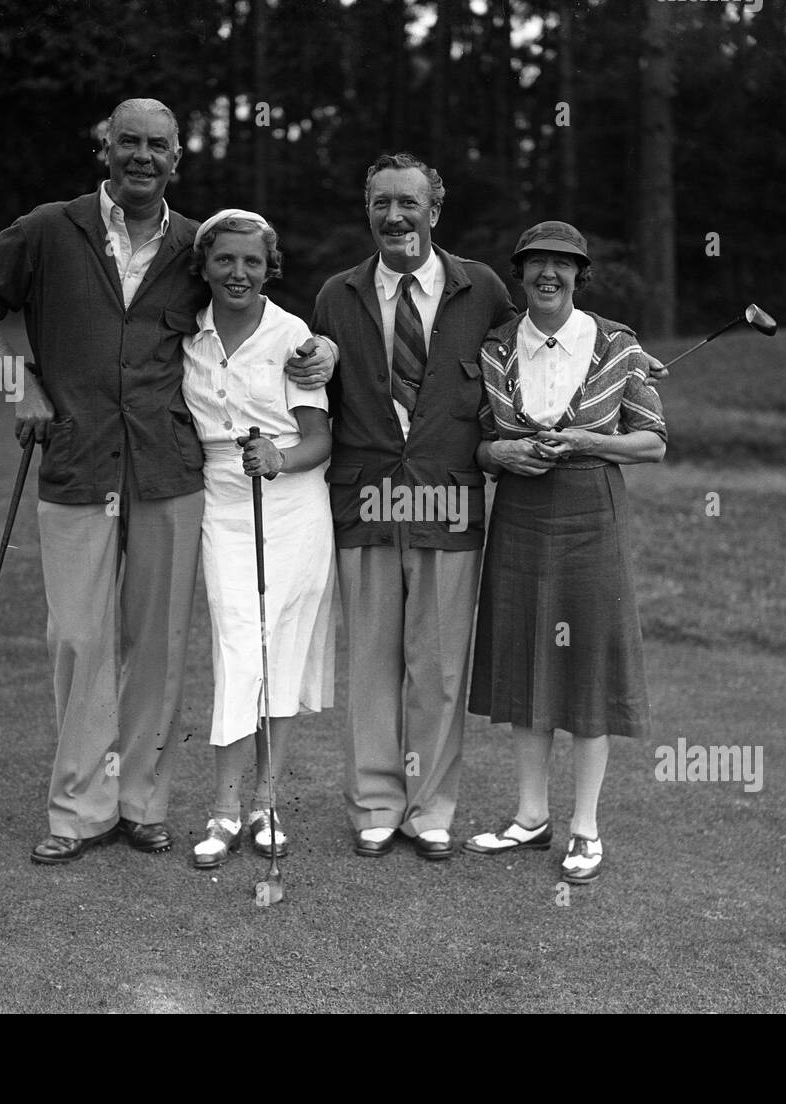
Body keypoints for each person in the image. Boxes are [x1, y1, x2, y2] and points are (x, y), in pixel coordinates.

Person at [0, 99, 334, 864]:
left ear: (177, 158)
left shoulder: (199, 245)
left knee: (156, 644)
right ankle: (78, 810)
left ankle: (143, 804)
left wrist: (320, 347)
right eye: (129, 142)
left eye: (158, 145)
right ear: (106, 148)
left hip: (168, 471)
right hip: (77, 460)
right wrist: (17, 379)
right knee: (79, 638)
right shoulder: (50, 229)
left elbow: (261, 312)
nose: (142, 157)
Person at [310, 152, 517, 860]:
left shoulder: (482, 290)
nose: (394, 216)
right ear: (366, 209)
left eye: (408, 203)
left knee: (438, 667)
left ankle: (430, 806)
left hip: (448, 503)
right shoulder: (337, 295)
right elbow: (317, 402)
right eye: (380, 203)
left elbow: (521, 374)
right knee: (370, 659)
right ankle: (374, 801)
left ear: (436, 208)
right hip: (365, 499)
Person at [463, 221, 667, 884]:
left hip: (590, 511)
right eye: (536, 264)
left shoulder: (617, 346)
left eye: (563, 264)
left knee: (587, 668)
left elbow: (653, 442)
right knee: (527, 657)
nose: (548, 275)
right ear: (520, 275)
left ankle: (584, 827)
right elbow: (478, 445)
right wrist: (504, 452)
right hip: (521, 511)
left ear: (580, 274)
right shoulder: (496, 347)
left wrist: (585, 442)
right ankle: (530, 816)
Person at [181, 209, 335, 868]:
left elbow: (321, 438)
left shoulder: (294, 335)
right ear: (206, 266)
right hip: (222, 502)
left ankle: (266, 803)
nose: (238, 272)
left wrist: (278, 458)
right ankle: (222, 810)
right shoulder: (188, 335)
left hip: (293, 503)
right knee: (237, 643)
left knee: (277, 654)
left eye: (251, 261)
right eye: (225, 260)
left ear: (268, 266)